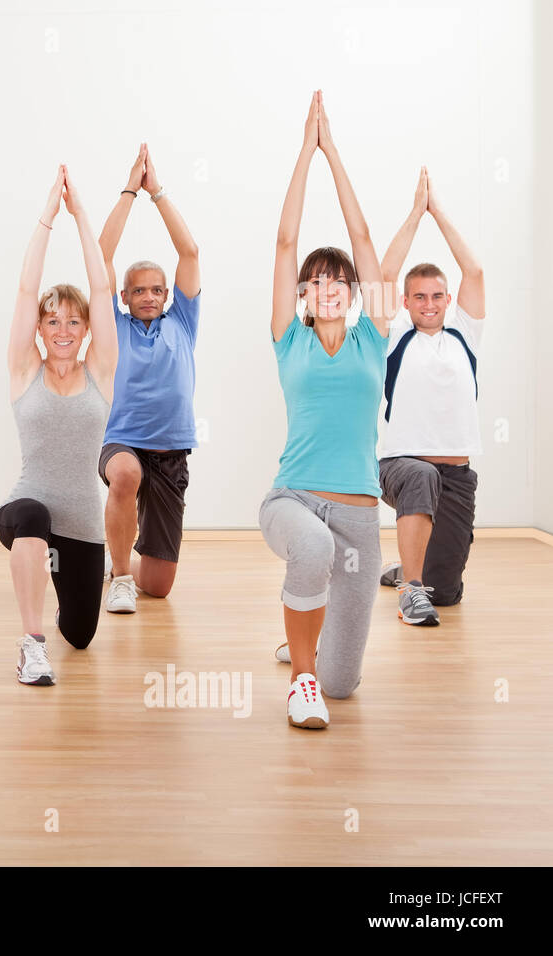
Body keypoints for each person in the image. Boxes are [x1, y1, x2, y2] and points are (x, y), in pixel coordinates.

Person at [261, 91, 393, 729]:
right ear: (303, 294)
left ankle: (311, 656)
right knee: (309, 547)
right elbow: (285, 239)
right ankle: (300, 678)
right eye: (316, 279)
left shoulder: (374, 337)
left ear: (353, 291)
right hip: (294, 500)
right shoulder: (290, 339)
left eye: (338, 278)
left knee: (346, 685)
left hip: (361, 517)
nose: (328, 286)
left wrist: (333, 151)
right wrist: (303, 154)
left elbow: (364, 237)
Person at [0, 165, 118, 685]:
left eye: (74, 320)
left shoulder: (100, 372)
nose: (64, 329)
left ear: (87, 328)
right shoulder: (25, 370)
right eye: (53, 321)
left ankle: (54, 591)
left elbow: (101, 283)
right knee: (29, 519)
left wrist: (81, 216)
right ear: (41, 330)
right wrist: (47, 218)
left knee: (83, 635)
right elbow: (27, 290)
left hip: (83, 524)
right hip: (28, 508)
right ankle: (31, 645)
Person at [376, 167, 485, 625]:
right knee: (421, 475)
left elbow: (474, 269)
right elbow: (383, 273)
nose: (429, 304)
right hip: (403, 466)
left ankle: (411, 568)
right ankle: (410, 589)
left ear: (448, 298)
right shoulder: (394, 335)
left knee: (448, 596)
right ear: (406, 302)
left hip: (456, 473)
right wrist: (414, 215)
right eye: (419, 297)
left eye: (437, 296)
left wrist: (438, 212)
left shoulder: (465, 334)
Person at [96, 143, 202, 614]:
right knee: (124, 474)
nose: (149, 296)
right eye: (138, 290)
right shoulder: (113, 327)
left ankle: (124, 559)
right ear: (124, 294)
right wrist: (128, 192)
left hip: (172, 452)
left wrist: (157, 192)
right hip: (122, 441)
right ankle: (120, 575)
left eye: (157, 290)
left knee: (158, 586)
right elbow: (101, 253)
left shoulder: (182, 322)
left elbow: (190, 250)